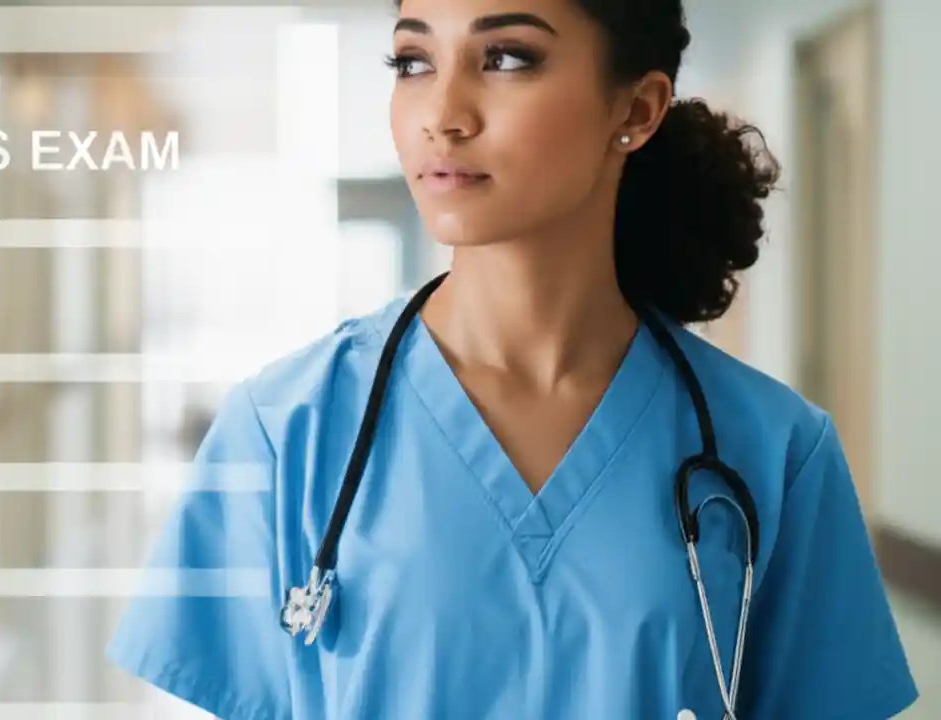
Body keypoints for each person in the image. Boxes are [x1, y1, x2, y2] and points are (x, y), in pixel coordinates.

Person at [106, 0, 920, 717]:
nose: (444, 113)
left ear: (635, 109)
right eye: (413, 61)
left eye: (506, 58)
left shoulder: (773, 451)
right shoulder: (287, 430)